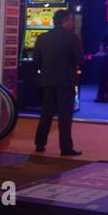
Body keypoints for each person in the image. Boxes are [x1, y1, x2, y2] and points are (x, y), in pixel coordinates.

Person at [34, 9, 83, 156]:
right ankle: (66, 148)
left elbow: (37, 61)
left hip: (47, 80)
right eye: (70, 20)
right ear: (63, 21)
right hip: (66, 80)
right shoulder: (73, 38)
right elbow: (79, 61)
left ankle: (40, 143)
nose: (72, 23)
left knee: (46, 114)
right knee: (65, 116)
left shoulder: (42, 37)